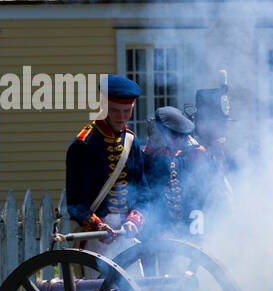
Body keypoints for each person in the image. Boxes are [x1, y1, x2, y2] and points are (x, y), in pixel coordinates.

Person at [65, 74, 148, 257]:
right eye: (115, 110)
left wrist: (134, 220)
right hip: (96, 236)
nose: (122, 117)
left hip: (126, 234)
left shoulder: (131, 142)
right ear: (103, 106)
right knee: (96, 286)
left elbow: (143, 194)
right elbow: (76, 204)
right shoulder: (84, 144)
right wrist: (99, 226)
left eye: (127, 111)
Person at [142, 105, 216, 238]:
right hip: (157, 231)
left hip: (188, 229)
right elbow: (144, 195)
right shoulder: (148, 158)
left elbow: (201, 192)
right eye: (175, 136)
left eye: (182, 136)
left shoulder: (191, 156)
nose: (180, 140)